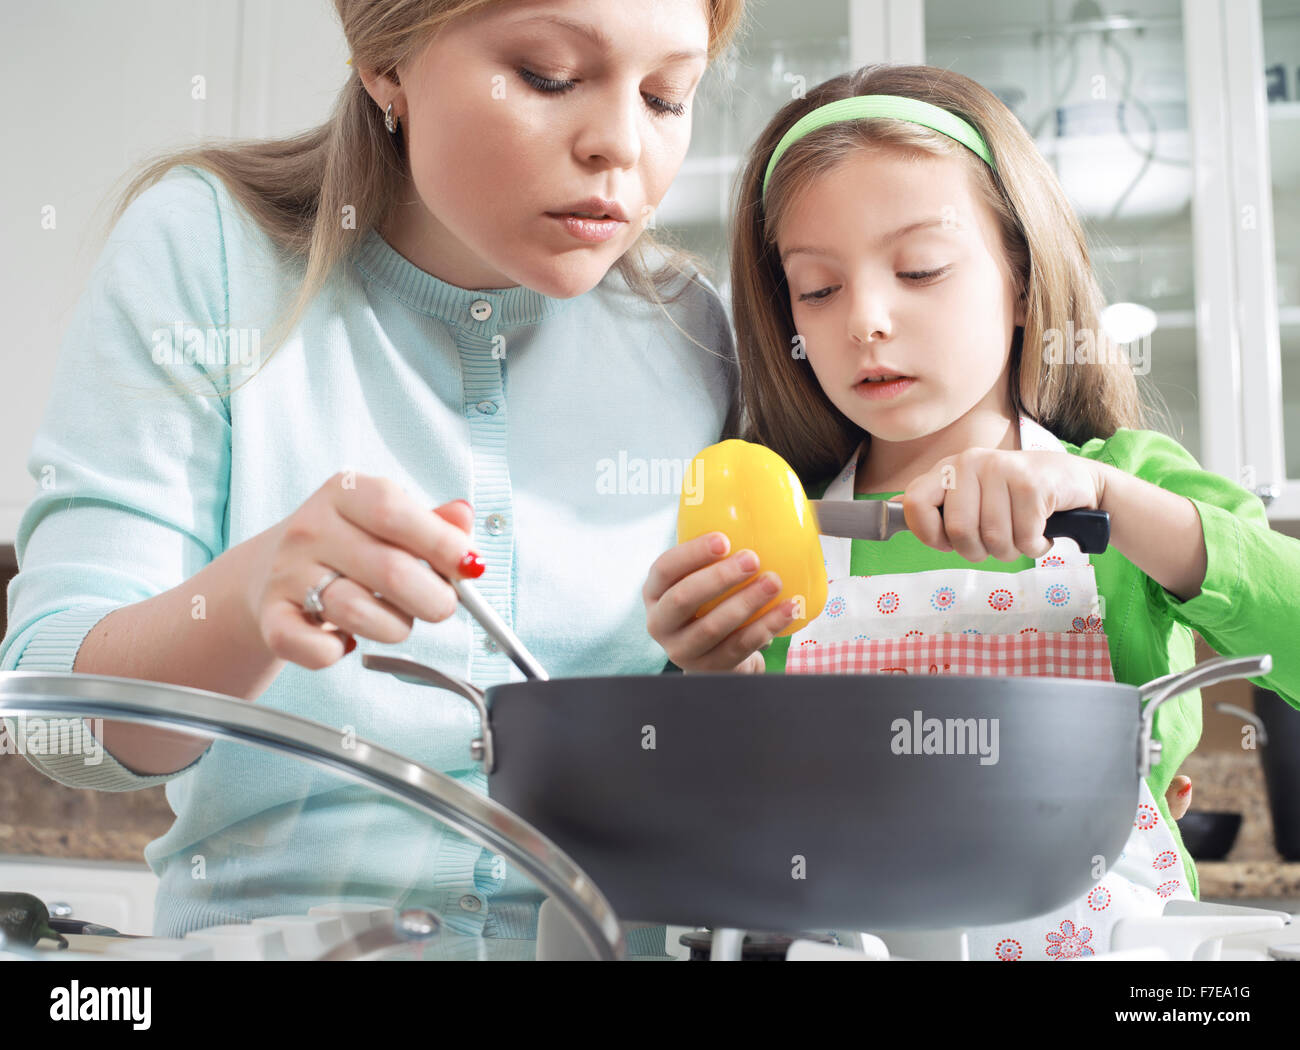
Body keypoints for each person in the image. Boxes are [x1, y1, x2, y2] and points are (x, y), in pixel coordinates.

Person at [1, 0, 746, 955]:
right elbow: (55, 727)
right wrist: (245, 603)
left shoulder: (693, 329)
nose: (619, 145)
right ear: (385, 60)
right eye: (549, 76)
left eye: (665, 96)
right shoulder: (211, 256)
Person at [644, 64, 1300, 959]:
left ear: (1023, 283)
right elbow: (698, 820)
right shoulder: (784, 530)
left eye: (920, 269)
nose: (865, 320)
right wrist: (708, 676)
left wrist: (1111, 501)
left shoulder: (1129, 486)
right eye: (818, 289)